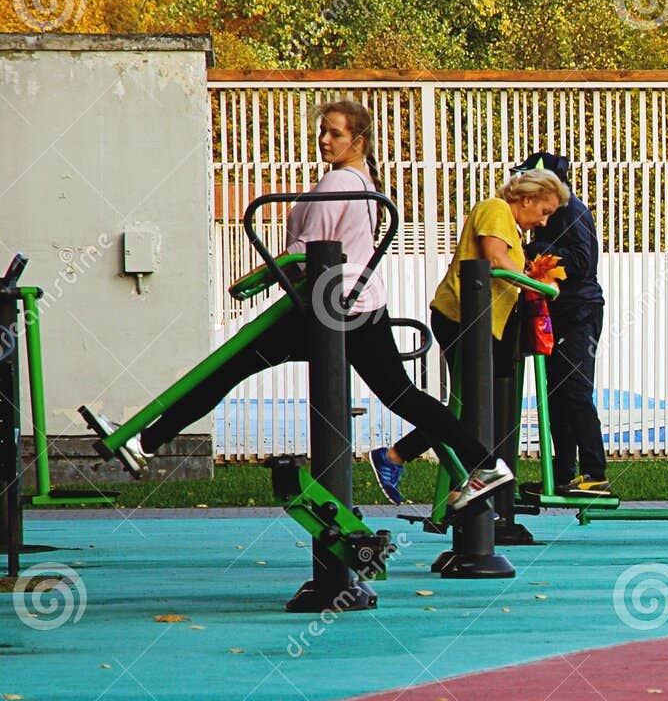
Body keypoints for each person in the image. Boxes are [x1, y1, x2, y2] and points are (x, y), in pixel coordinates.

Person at [115, 98, 511, 511]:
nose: (324, 140)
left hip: (332, 306)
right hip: (352, 302)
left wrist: (257, 276)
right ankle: (487, 464)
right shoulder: (360, 181)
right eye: (322, 132)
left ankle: (146, 441)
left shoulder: (338, 184)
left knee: (230, 366)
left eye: (335, 133)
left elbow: (306, 255)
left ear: (358, 140)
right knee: (400, 394)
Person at [374, 168, 570, 499]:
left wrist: (530, 280)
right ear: (527, 198)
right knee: (471, 408)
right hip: (462, 318)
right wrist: (538, 283)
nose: (544, 221)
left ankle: (435, 476)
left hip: (481, 325)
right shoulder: (495, 208)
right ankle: (409, 461)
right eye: (544, 211)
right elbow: (493, 257)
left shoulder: (513, 229)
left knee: (468, 409)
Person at [512, 150, 609, 497]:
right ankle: (563, 472)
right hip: (556, 311)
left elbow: (583, 261)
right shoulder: (551, 214)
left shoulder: (570, 211)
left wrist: (536, 249)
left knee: (575, 391)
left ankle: (595, 473)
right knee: (554, 394)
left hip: (578, 312)